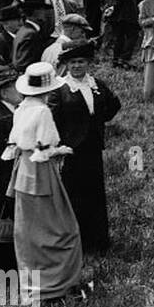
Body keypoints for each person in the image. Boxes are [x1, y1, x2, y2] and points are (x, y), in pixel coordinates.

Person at [0, 62, 84, 305]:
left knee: (29, 229)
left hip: (23, 171)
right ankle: (56, 283)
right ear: (48, 90)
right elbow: (45, 145)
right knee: (60, 228)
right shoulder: (42, 111)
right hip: (40, 171)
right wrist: (61, 150)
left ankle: (34, 283)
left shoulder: (21, 108)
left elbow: (16, 142)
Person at [53, 39, 121, 255]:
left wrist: (96, 121)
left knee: (95, 193)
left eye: (81, 62)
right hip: (72, 150)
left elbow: (113, 105)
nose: (77, 66)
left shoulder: (97, 85)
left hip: (92, 147)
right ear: (67, 65)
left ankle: (98, 239)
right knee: (74, 195)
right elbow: (53, 120)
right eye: (72, 62)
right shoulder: (60, 89)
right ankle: (77, 242)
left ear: (88, 63)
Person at [0, 65, 22, 271]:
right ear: (3, 91)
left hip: (10, 178)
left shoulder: (9, 110)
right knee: (2, 222)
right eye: (15, 86)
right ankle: (3, 268)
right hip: (3, 182)